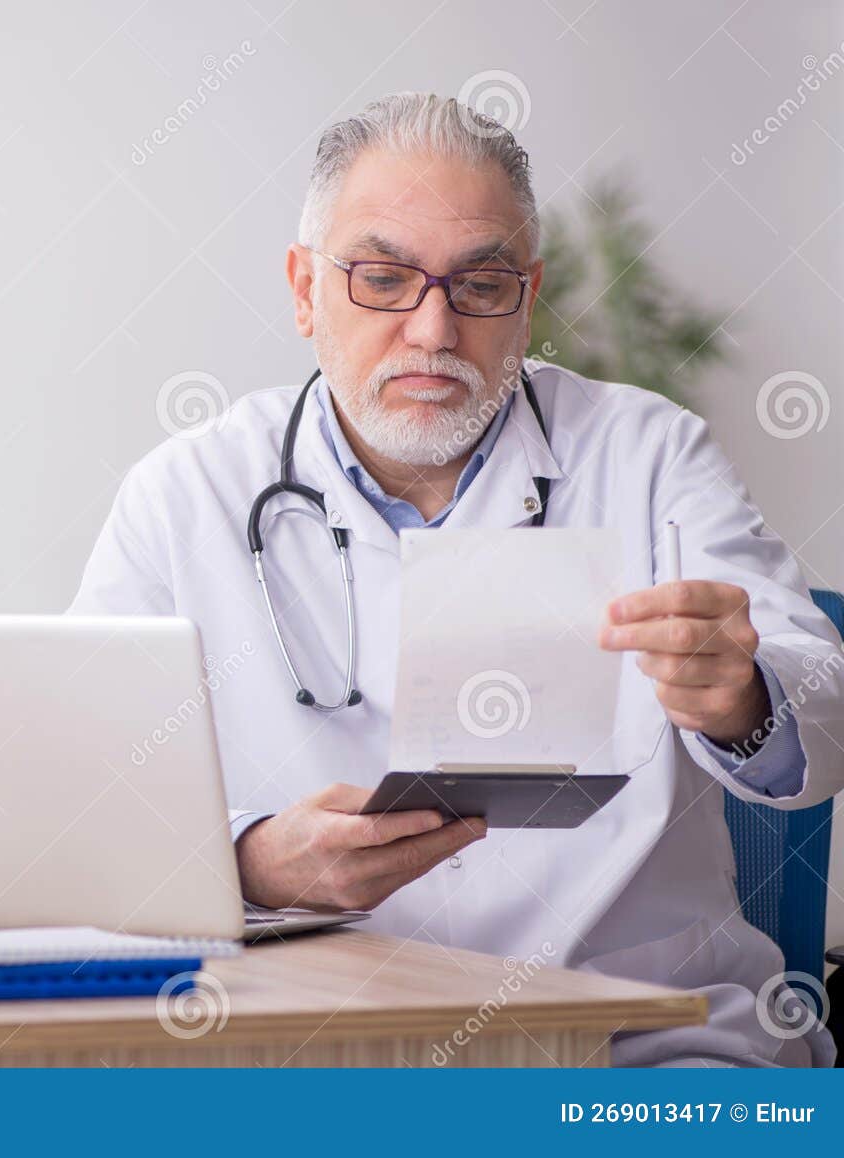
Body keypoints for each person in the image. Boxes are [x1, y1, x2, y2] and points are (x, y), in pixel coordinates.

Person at [69, 92, 844, 1067]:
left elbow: (823, 700)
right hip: (307, 1048)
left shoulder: (647, 454)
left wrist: (743, 698)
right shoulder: (183, 494)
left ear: (528, 294)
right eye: (384, 278)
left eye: (478, 286)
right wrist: (249, 861)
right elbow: (84, 807)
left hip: (635, 1033)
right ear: (304, 288)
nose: (432, 330)